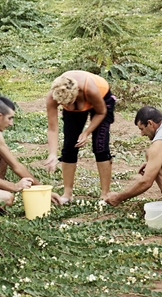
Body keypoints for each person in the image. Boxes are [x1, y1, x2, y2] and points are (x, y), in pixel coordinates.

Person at [44, 70, 116, 204]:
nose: (67, 106)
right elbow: (52, 128)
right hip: (78, 102)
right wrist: (52, 154)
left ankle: (105, 194)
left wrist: (86, 132)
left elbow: (101, 112)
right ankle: (67, 193)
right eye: (63, 104)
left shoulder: (90, 90)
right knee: (69, 146)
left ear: (76, 94)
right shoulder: (54, 96)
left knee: (100, 145)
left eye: (69, 102)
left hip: (102, 100)